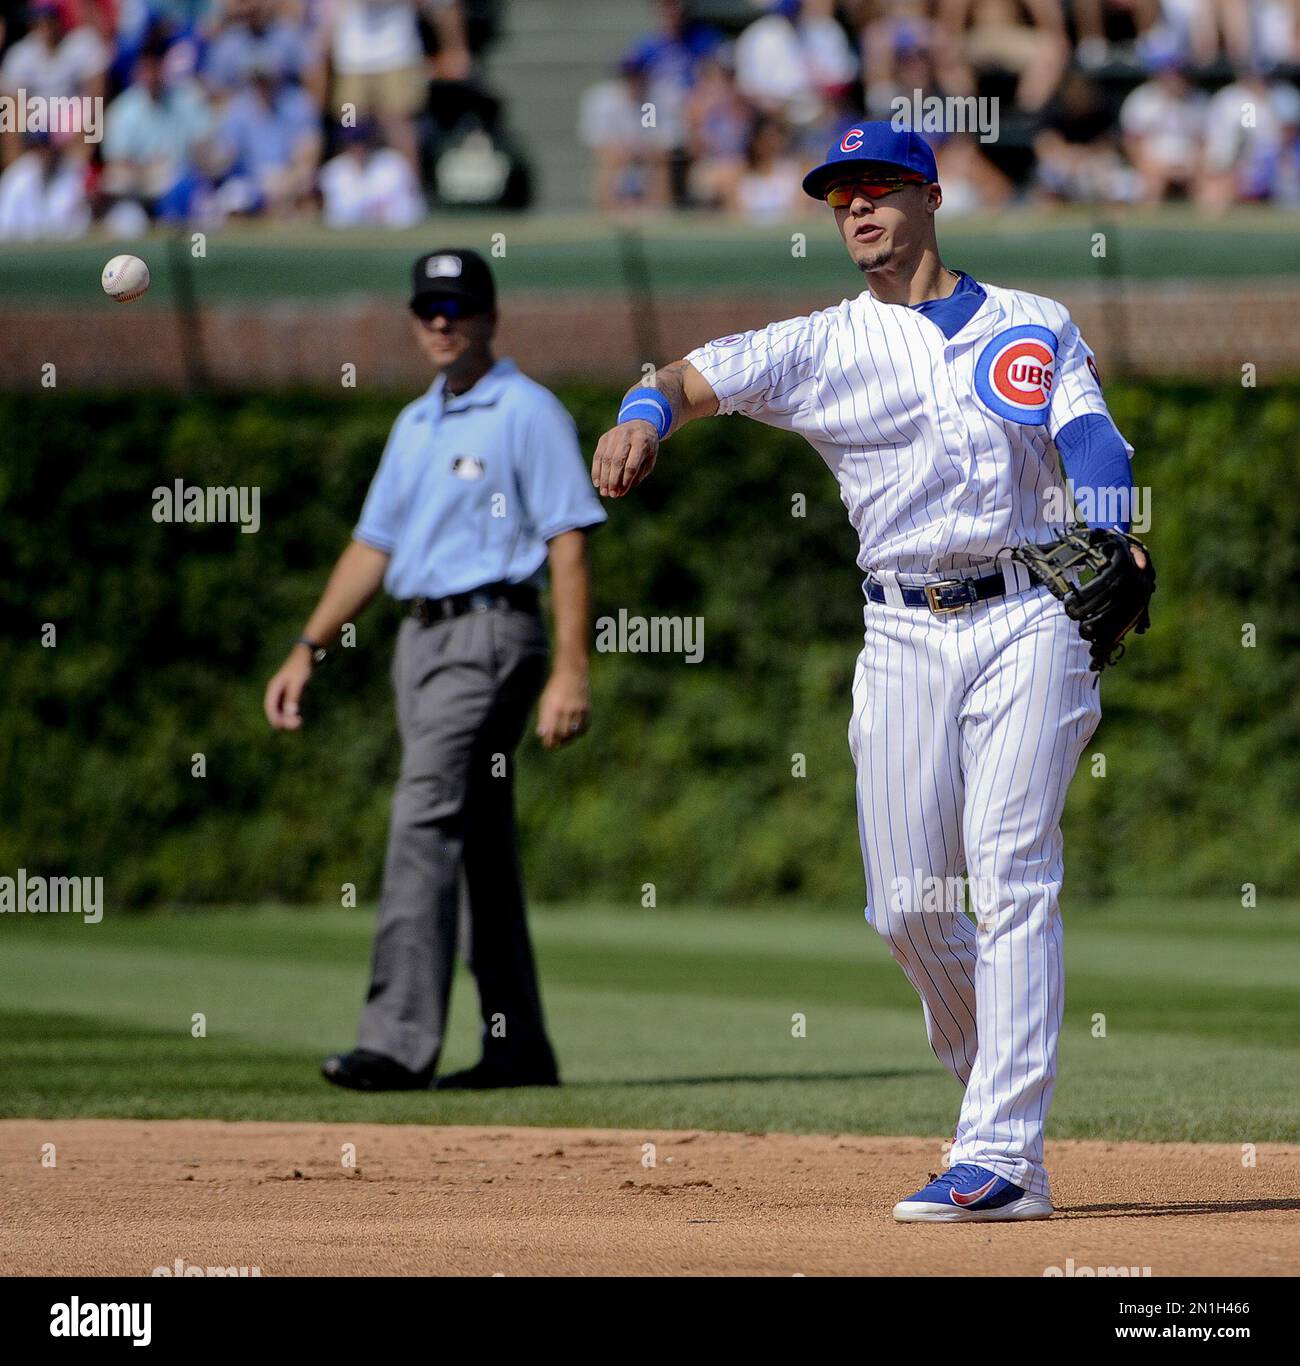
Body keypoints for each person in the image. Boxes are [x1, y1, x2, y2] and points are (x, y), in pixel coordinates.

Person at [591, 120, 1144, 1222]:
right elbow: (688, 377)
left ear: (930, 196)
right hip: (898, 633)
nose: (855, 207)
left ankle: (1000, 1152)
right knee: (903, 904)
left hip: (1029, 612)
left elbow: (1097, 445)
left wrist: (1120, 534)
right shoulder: (821, 342)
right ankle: (1000, 1099)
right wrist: (638, 416)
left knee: (1009, 868)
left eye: (878, 186)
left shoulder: (1030, 324)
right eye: (839, 194)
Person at [264, 249, 605, 1093]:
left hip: (492, 636)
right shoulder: (415, 423)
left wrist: (571, 671)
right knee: (472, 842)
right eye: (428, 309)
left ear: (491, 317)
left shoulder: (528, 411)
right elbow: (371, 547)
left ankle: (396, 1042)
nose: (441, 322)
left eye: (457, 307)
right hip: (418, 644)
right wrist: (307, 647)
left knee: (422, 816)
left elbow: (569, 540)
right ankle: (517, 1046)